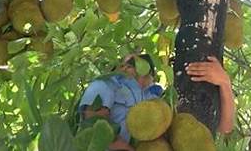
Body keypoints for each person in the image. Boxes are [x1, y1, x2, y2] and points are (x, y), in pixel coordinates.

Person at [78, 53, 235, 151]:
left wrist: (225, 83)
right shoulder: (106, 85)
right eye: (127, 64)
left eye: (134, 64)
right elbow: (93, 125)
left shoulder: (162, 101)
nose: (127, 68)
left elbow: (224, 127)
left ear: (151, 74)